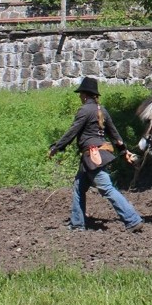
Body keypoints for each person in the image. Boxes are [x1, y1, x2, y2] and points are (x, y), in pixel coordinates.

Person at [48, 77, 144, 232]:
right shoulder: (102, 110)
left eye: (80, 94)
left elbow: (73, 131)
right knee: (79, 188)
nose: (79, 97)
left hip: (92, 157)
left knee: (107, 188)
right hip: (94, 157)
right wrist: (124, 151)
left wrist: (57, 147)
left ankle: (132, 220)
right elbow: (115, 135)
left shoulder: (85, 110)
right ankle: (77, 224)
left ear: (85, 95)